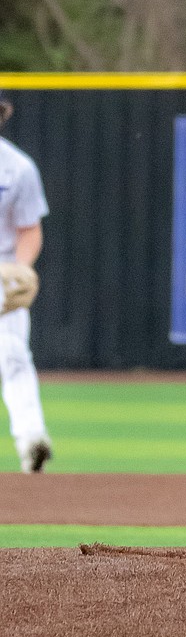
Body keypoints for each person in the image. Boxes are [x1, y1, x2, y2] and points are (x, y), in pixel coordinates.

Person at [0, 91, 51, 470]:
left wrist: (20, 270)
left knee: (14, 355)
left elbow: (29, 229)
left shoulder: (17, 168)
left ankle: (32, 442)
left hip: (1, 275)